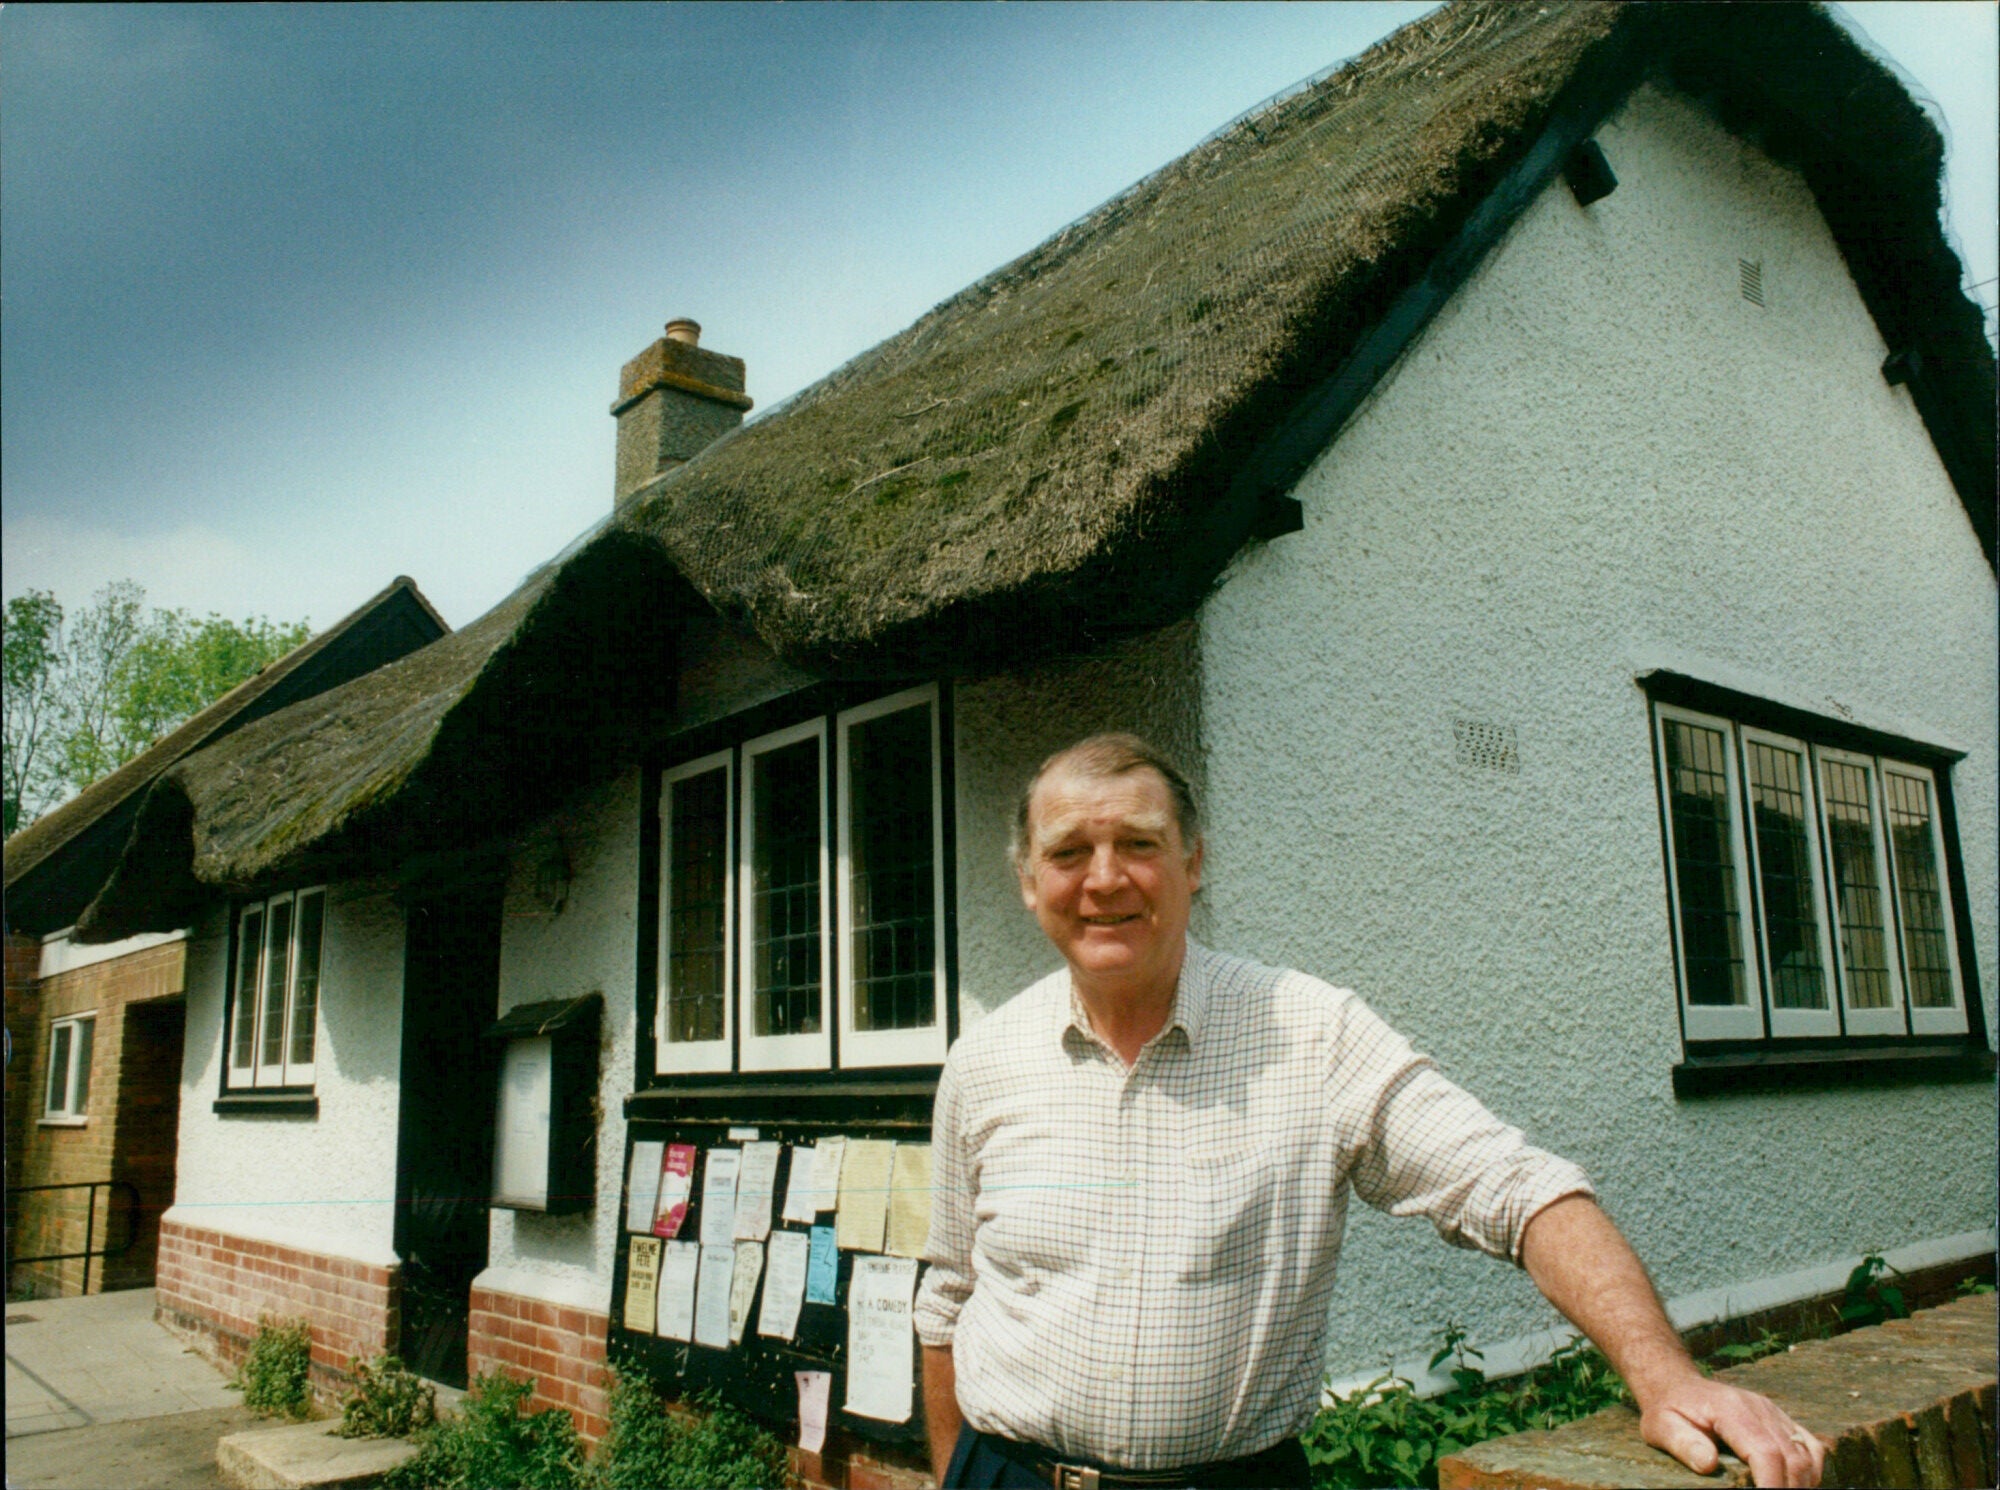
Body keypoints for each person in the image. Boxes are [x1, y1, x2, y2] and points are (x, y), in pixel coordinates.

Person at [914, 733, 1825, 1489]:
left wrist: (1664, 1377)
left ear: (1194, 866)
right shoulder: (983, 1063)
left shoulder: (1315, 1035)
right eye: (1068, 852)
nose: (1104, 879)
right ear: (1029, 883)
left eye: (1140, 846)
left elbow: (1518, 1189)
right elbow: (949, 1298)